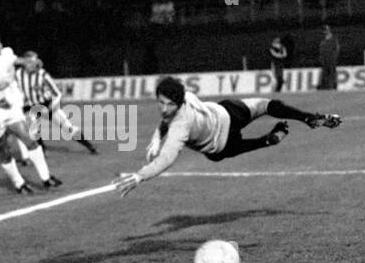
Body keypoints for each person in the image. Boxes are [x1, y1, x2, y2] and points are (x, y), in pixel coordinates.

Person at [114, 76, 341, 196]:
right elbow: (165, 122)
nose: (164, 108)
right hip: (227, 112)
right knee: (268, 105)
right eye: (161, 102)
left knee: (225, 149)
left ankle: (272, 137)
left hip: (221, 140)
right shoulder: (186, 96)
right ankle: (307, 119)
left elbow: (165, 159)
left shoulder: (180, 126)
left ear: (180, 102)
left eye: (169, 104)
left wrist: (139, 176)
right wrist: (156, 137)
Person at [0, 26, 61, 194]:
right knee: (5, 150)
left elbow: (16, 60)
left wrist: (30, 62)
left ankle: (46, 179)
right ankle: (19, 184)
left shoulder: (1, 58)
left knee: (30, 140)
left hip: (9, 109)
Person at [14, 51, 98, 156]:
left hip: (46, 105)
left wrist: (55, 104)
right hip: (30, 107)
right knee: (34, 130)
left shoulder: (42, 74)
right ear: (25, 62)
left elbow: (57, 93)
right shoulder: (17, 74)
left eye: (35, 61)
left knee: (67, 127)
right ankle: (42, 151)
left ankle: (89, 146)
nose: (34, 64)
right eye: (30, 62)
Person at [318, 25, 340, 90]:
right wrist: (321, 57)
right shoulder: (323, 40)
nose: (325, 32)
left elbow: (337, 48)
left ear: (329, 30)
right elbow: (321, 49)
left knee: (332, 72)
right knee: (325, 72)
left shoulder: (333, 38)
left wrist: (335, 56)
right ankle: (324, 86)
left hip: (331, 58)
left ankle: (332, 85)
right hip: (324, 59)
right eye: (324, 30)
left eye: (326, 30)